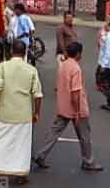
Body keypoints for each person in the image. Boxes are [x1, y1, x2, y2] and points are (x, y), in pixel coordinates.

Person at [34, 42, 103, 172]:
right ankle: (88, 161)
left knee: (54, 132)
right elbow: (75, 92)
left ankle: (40, 155)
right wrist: (77, 112)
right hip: (77, 108)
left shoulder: (63, 65)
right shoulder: (75, 68)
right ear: (78, 54)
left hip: (63, 105)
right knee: (84, 135)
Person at [0, 40, 44, 183]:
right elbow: (37, 95)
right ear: (25, 52)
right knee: (22, 145)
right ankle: (20, 175)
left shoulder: (3, 67)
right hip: (23, 114)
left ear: (12, 51)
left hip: (4, 112)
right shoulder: (31, 70)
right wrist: (36, 113)